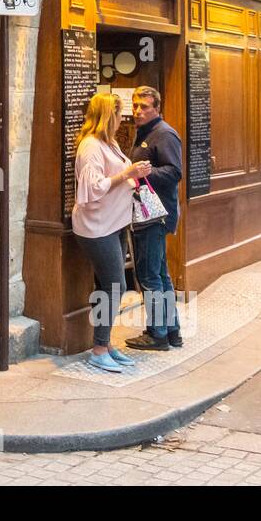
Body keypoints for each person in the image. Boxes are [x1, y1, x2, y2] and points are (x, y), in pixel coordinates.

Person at [73, 92, 151, 374]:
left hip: (114, 223)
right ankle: (98, 350)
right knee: (115, 285)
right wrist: (127, 173)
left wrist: (133, 175)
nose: (122, 120)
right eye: (119, 115)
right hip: (97, 227)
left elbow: (115, 180)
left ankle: (104, 343)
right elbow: (92, 188)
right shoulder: (90, 147)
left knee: (111, 286)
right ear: (109, 116)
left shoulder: (109, 142)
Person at [124, 86, 184, 351]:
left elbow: (174, 173)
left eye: (144, 106)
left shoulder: (164, 134)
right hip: (150, 213)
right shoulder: (145, 132)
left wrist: (142, 173)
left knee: (150, 276)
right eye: (136, 105)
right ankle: (171, 331)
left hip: (155, 215)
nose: (138, 111)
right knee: (160, 274)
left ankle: (157, 333)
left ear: (157, 108)